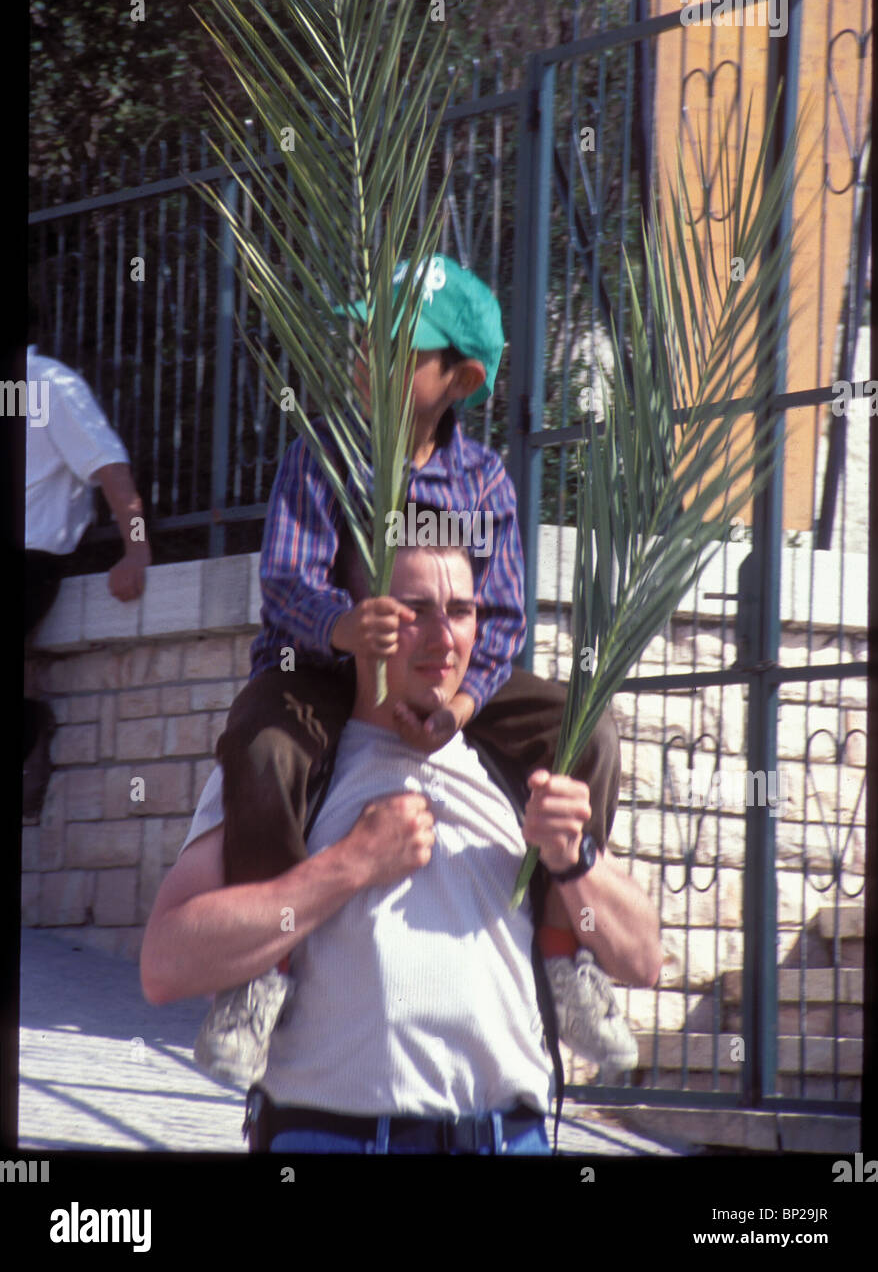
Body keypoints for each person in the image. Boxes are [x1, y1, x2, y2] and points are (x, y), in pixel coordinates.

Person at [194, 255, 629, 1082]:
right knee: (263, 748)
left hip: (450, 683)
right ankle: (259, 975)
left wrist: (462, 706)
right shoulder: (322, 452)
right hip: (324, 668)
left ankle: (565, 949)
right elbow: (286, 584)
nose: (365, 356)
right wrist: (345, 627)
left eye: (397, 346)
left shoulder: (486, 481)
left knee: (590, 731)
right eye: (364, 336)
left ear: (458, 377)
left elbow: (501, 620)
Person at [141, 531, 662, 1155]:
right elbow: (164, 966)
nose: (444, 637)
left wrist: (573, 860)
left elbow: (643, 961)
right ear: (364, 626)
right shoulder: (293, 765)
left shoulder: (520, 768)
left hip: (507, 1140)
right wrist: (348, 865)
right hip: (330, 1140)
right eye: (413, 611)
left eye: (462, 611)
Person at [23, 340, 152, 818]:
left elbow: (110, 469)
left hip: (33, 553)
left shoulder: (50, 385)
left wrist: (136, 550)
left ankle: (31, 739)